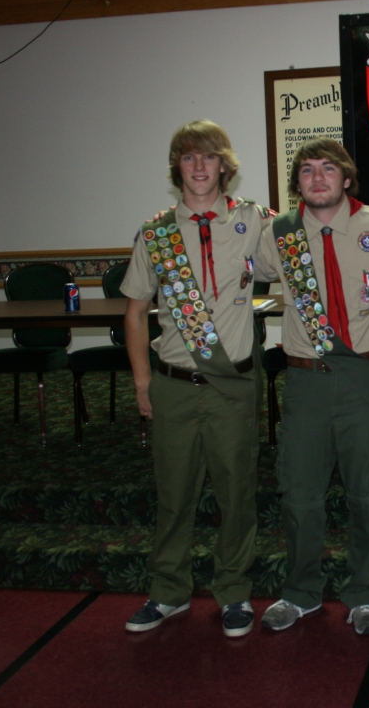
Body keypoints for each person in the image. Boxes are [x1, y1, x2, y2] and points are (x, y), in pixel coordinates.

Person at [121, 120, 271, 638]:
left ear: (224, 165)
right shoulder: (157, 232)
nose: (199, 166)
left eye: (208, 157)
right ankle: (167, 592)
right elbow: (135, 312)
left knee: (237, 492)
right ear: (177, 167)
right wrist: (142, 383)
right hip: (175, 383)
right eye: (188, 158)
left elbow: (306, 248)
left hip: (232, 384)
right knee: (174, 493)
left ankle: (233, 592)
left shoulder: (253, 220)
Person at [253, 138, 369, 636]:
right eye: (307, 171)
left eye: (328, 170)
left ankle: (363, 593)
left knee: (367, 491)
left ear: (346, 178)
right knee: (299, 493)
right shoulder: (279, 233)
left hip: (364, 375)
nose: (318, 178)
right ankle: (301, 593)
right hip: (306, 377)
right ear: (297, 182)